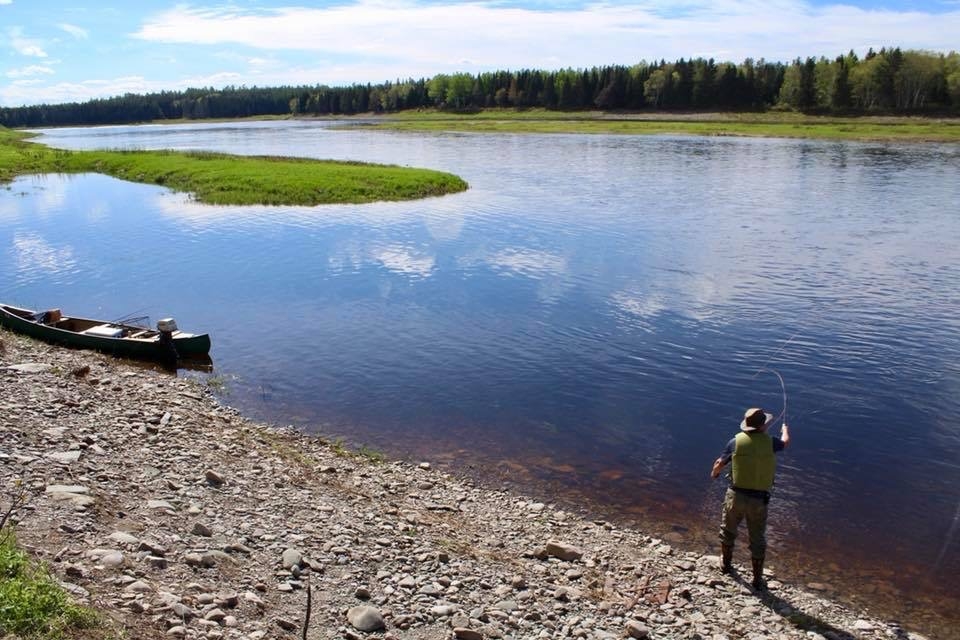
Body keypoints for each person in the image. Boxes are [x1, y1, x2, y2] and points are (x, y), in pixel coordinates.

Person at [710, 407, 790, 590]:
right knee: (757, 538)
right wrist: (785, 429)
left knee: (728, 530)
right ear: (763, 426)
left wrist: (714, 473)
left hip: (735, 496)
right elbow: (785, 443)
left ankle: (726, 565)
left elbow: (719, 463)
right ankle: (757, 579)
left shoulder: (735, 441)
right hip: (759, 500)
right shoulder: (771, 443)